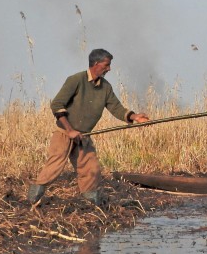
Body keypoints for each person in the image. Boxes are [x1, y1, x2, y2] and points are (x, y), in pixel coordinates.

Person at [27, 48, 149, 206]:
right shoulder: (76, 80)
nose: (109, 69)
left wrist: (135, 117)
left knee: (91, 170)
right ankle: (31, 201)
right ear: (96, 64)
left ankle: (91, 204)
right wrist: (70, 130)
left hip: (83, 136)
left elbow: (116, 108)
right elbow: (57, 105)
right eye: (107, 65)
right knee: (54, 166)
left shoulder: (105, 88)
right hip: (64, 133)